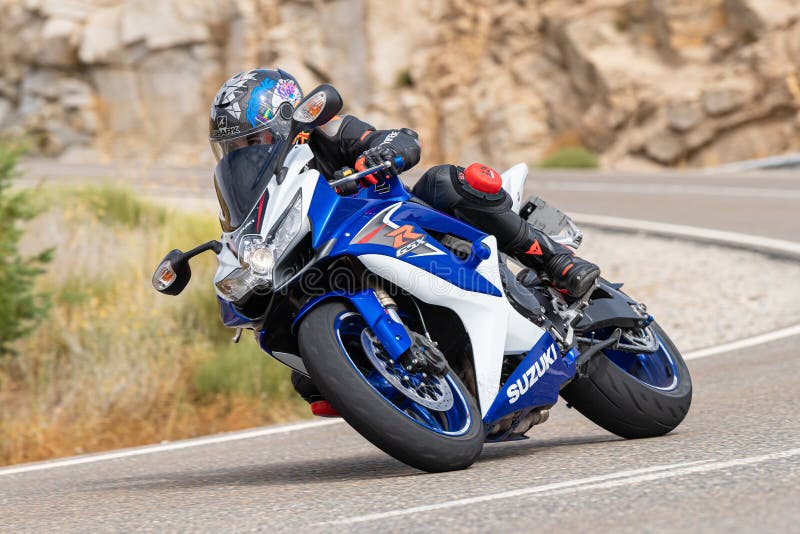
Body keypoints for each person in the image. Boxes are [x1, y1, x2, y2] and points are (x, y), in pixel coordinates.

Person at [209, 68, 600, 416]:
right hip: (338, 261)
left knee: (446, 183)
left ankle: (555, 262)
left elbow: (400, 138)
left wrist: (385, 151)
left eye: (254, 139)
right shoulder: (259, 191)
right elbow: (248, 228)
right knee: (307, 377)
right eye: (235, 148)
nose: (245, 154)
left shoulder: (329, 132)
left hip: (401, 224)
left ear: (286, 120)